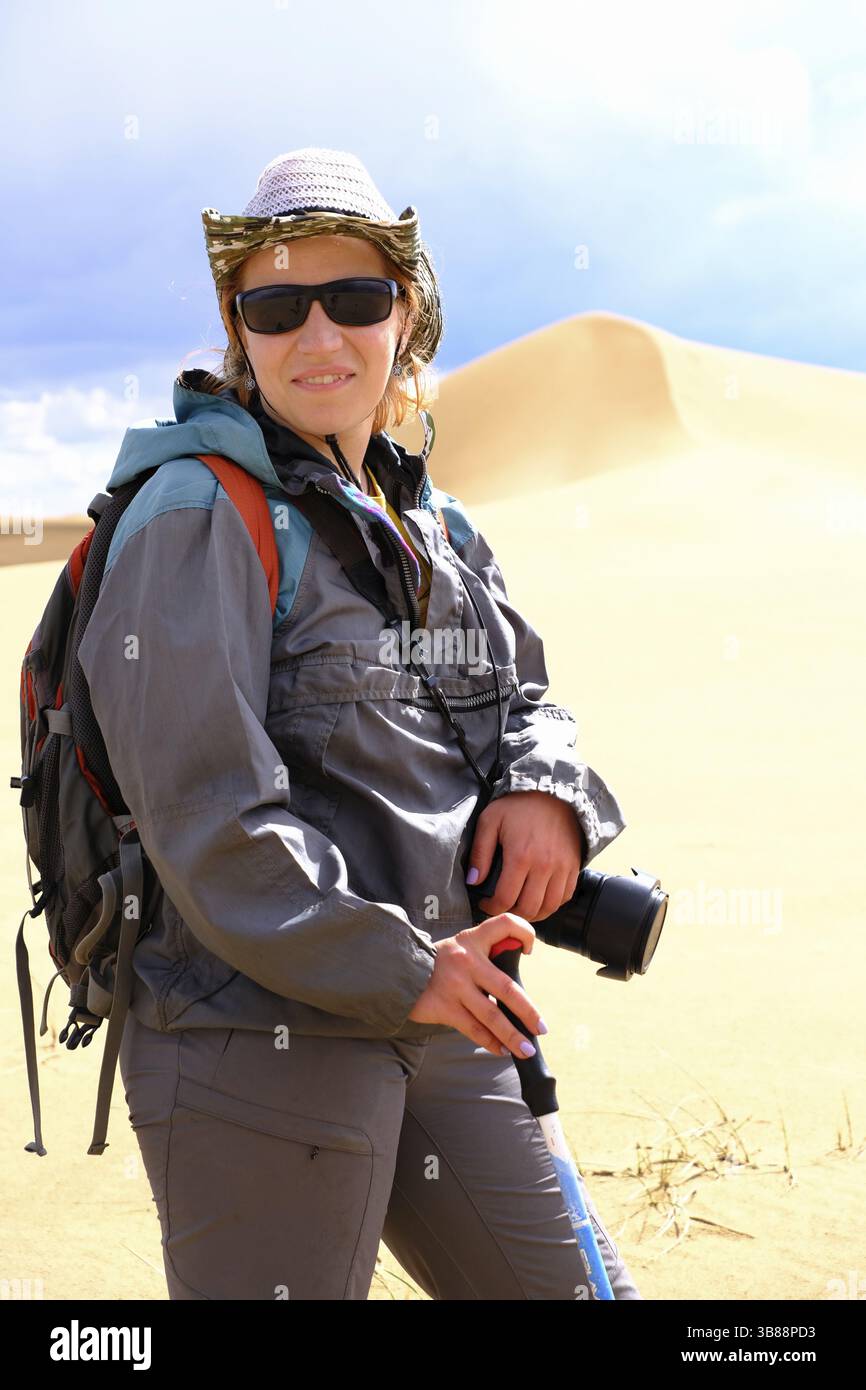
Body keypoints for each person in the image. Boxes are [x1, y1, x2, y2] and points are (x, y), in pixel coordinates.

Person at [78, 147, 642, 1300]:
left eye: (355, 297)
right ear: (238, 329)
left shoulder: (428, 520)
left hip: (448, 1014)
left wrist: (545, 790)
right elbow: (209, 820)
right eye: (276, 307)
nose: (319, 336)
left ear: (407, 312)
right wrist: (401, 966)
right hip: (252, 1034)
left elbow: (526, 700)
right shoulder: (196, 515)